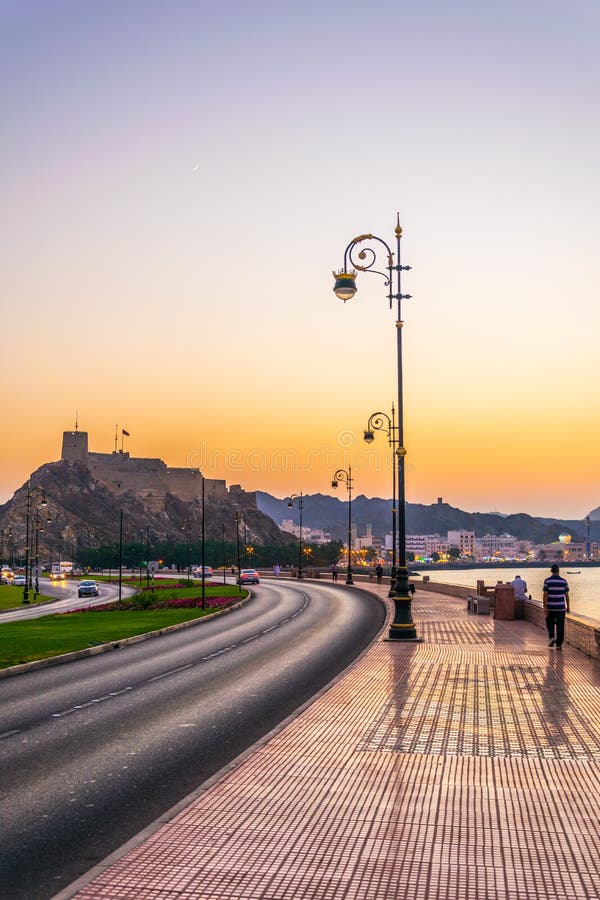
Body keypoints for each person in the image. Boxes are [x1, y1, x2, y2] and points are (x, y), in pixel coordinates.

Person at [543, 563, 570, 650]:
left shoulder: (547, 581)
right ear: (558, 571)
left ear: (551, 571)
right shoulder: (564, 581)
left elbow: (545, 595)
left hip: (550, 607)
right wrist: (568, 607)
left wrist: (544, 607)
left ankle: (552, 637)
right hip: (561, 608)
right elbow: (566, 595)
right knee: (560, 626)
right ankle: (559, 645)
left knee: (549, 622)